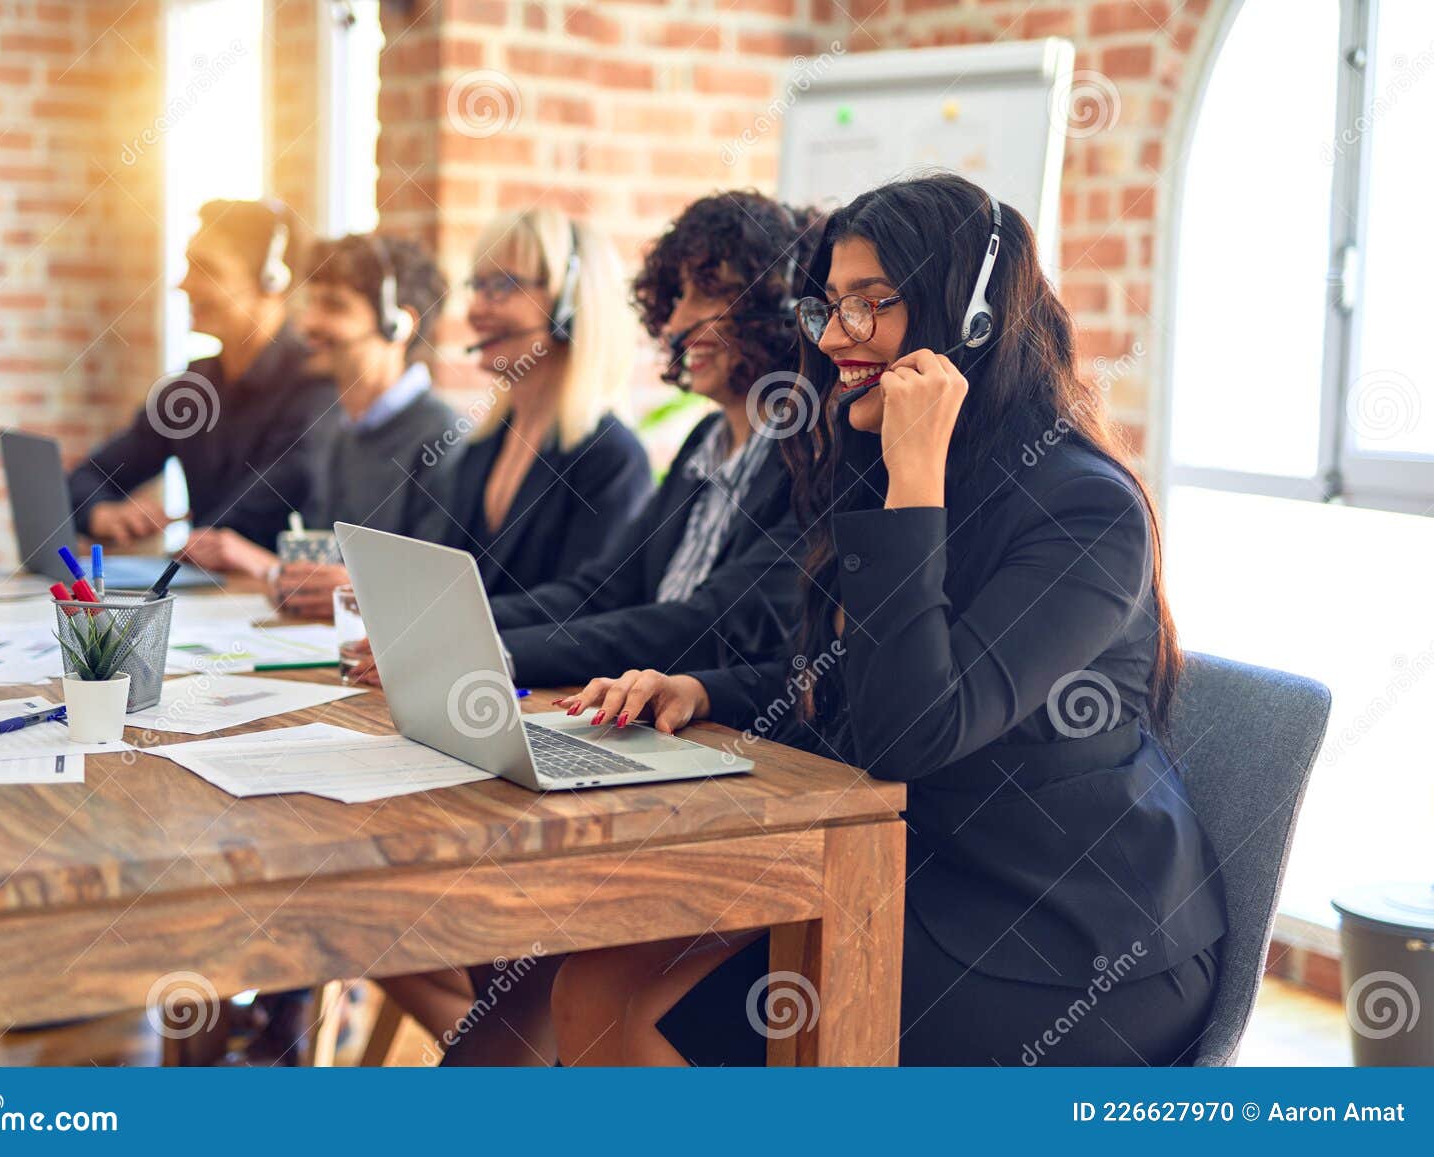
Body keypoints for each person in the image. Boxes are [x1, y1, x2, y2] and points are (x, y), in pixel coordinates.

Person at [550, 173, 1229, 1067]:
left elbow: (910, 729)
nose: (836, 338)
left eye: (874, 304)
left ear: (972, 321)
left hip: (1069, 937)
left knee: (645, 1022)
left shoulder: (1085, 511)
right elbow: (853, 674)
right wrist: (695, 688)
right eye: (831, 306)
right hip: (918, 872)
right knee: (592, 984)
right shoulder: (906, 468)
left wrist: (914, 481)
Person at [362, 194, 825, 1065]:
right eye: (676, 297)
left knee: (515, 946)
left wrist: (493, 646)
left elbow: (701, 625)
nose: (680, 321)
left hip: (739, 778)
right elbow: (602, 590)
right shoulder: (701, 447)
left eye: (707, 296)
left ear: (774, 305)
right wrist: (451, 627)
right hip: (655, 752)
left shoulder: (807, 457)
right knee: (473, 932)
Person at [185, 232, 461, 601]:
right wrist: (268, 568)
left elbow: (438, 594)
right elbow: (331, 573)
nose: (307, 324)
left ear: (398, 323)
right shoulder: (337, 429)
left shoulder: (445, 438)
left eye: (334, 306)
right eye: (311, 304)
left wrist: (342, 589)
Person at [69, 200, 333, 561]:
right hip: (203, 596)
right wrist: (103, 514)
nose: (183, 285)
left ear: (271, 280)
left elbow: (245, 520)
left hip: (273, 604)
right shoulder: (193, 386)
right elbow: (86, 477)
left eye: (205, 269)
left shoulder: (317, 387)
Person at [415, 207, 650, 598]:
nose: (475, 310)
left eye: (503, 285)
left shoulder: (612, 461)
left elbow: (581, 617)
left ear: (569, 305)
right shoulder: (482, 447)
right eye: (477, 285)